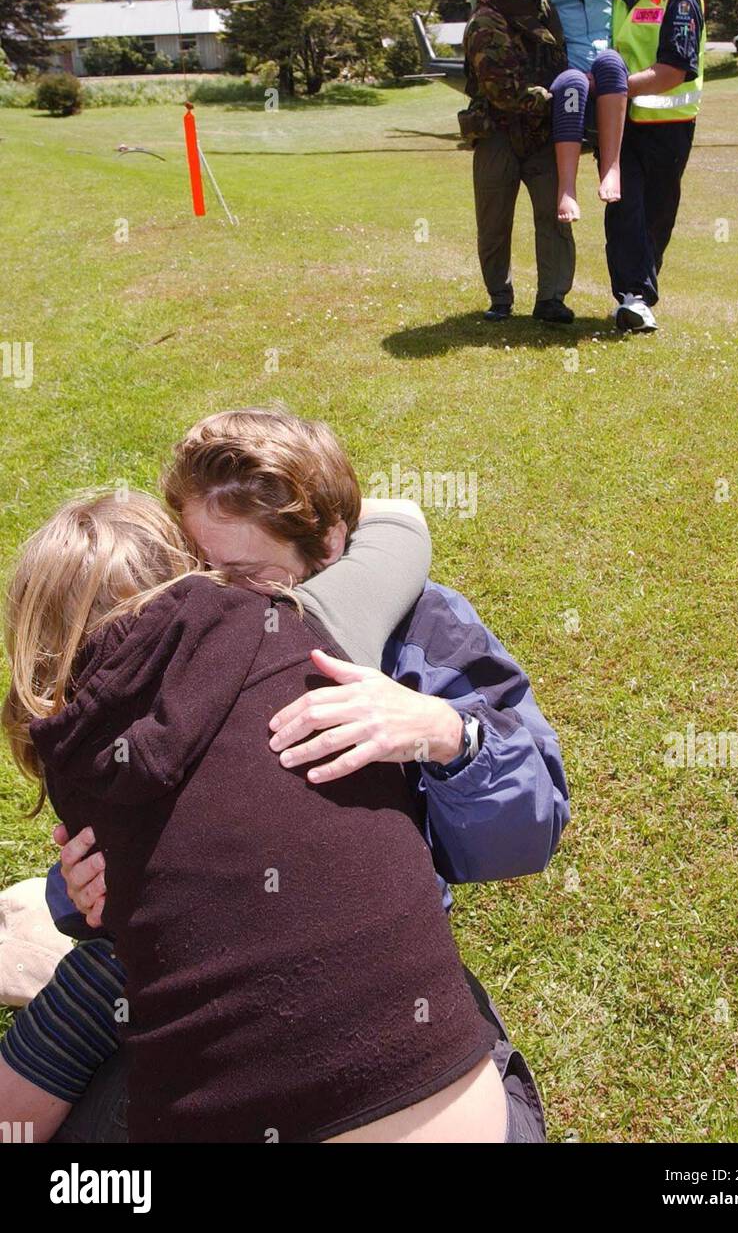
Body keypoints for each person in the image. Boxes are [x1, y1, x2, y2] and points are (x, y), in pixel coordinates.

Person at [1, 408, 566, 1142]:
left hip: (369, 966)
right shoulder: (188, 640)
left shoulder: (418, 629)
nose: (212, 599)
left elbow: (529, 832)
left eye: (242, 575)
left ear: (331, 546)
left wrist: (447, 736)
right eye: (197, 571)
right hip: (180, 956)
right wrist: (75, 891)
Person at [473, 0, 686, 223]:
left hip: (607, 77)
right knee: (571, 81)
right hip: (572, 75)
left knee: (611, 61)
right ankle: (567, 189)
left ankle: (611, 169)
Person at [460, 0, 575, 325]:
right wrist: (564, 101)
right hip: (497, 134)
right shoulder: (486, 20)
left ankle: (551, 299)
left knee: (554, 217)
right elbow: (504, 93)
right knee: (494, 221)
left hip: (543, 137)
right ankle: (499, 297)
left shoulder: (547, 12)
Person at [601, 0, 706, 334]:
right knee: (623, 207)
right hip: (623, 125)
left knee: (658, 215)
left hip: (669, 126)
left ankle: (639, 292)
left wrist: (616, 87)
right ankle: (634, 297)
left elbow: (673, 71)